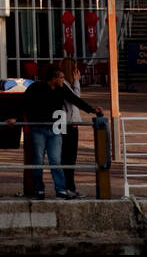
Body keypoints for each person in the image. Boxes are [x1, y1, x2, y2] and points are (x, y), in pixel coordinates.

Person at [9, 65, 102, 200]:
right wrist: (16, 118)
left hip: (55, 129)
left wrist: (92, 110)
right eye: (61, 78)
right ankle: (39, 189)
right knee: (38, 160)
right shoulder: (36, 88)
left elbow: (75, 100)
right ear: (53, 78)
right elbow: (23, 103)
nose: (63, 80)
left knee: (56, 160)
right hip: (38, 129)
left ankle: (60, 189)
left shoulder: (61, 89)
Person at [60, 57, 86, 196]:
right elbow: (76, 99)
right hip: (66, 124)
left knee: (71, 157)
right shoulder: (64, 84)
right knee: (67, 157)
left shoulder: (68, 84)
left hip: (72, 123)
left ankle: (70, 186)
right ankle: (67, 187)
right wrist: (77, 82)